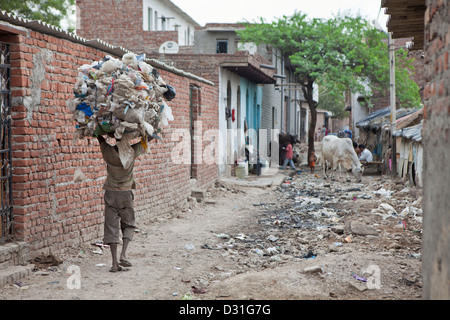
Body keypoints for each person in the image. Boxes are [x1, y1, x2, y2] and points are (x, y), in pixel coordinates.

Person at [97, 133, 153, 272]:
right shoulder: (131, 152)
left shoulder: (108, 152)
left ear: (115, 139)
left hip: (110, 193)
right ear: (127, 140)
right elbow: (146, 141)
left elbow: (99, 137)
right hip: (125, 194)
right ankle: (124, 254)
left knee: (111, 226)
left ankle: (114, 263)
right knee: (128, 224)